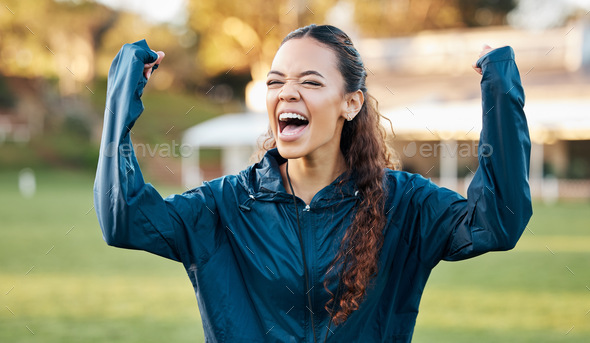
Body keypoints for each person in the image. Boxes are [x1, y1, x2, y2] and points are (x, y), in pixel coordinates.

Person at [94, 24, 532, 342]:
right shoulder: (224, 206)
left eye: (310, 81)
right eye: (276, 81)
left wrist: (500, 89)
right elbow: (124, 219)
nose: (286, 92)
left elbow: (496, 222)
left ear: (350, 102)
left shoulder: (405, 204)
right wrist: (123, 92)